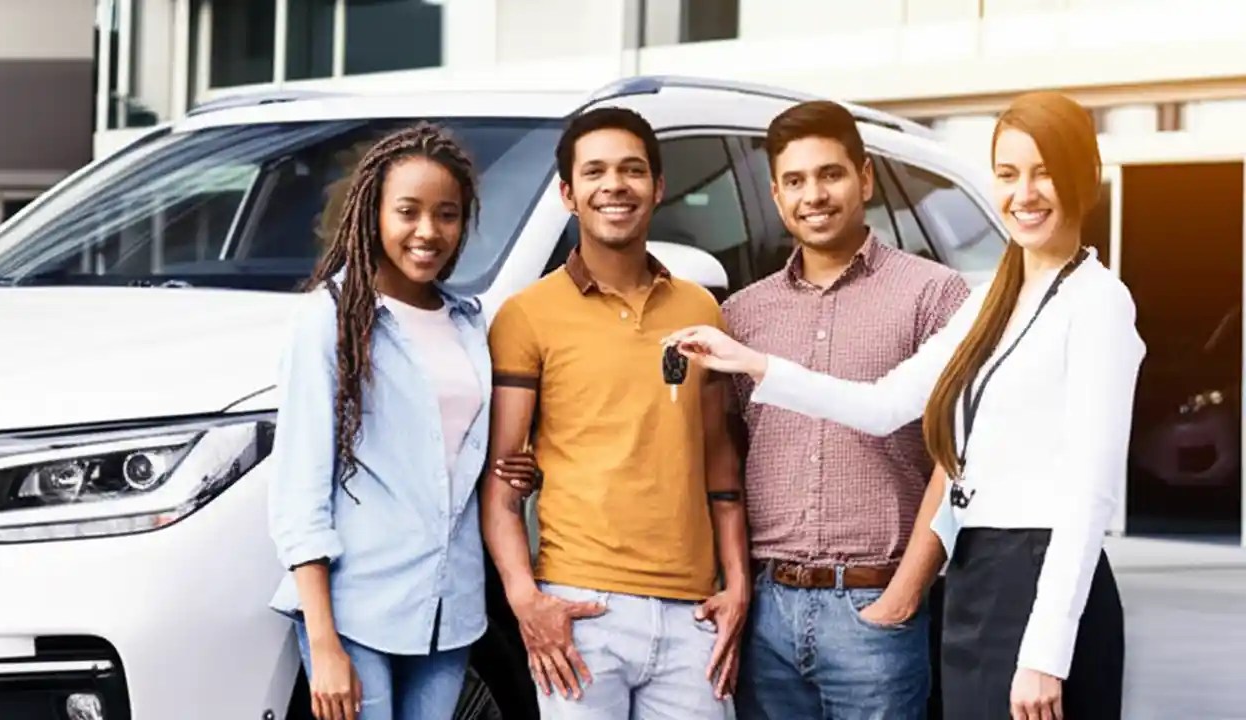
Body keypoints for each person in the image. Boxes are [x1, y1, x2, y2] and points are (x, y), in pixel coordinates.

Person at [663, 90, 1143, 720]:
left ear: (1082, 176)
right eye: (1007, 174)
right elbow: (884, 404)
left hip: (1040, 580)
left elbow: (1087, 497)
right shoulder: (996, 298)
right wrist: (754, 363)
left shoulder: (1099, 302)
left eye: (1044, 172)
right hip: (978, 578)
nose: (1024, 193)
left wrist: (1045, 656)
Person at [481, 106, 751, 719]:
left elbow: (720, 461)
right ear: (568, 194)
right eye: (595, 171)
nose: (615, 185)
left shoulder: (700, 309)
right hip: (579, 610)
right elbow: (500, 482)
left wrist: (737, 586)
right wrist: (526, 600)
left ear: (658, 188)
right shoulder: (526, 315)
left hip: (693, 614)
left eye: (632, 170)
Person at [265, 123, 538, 720]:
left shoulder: (469, 324)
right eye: (408, 211)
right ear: (373, 215)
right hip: (356, 610)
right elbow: (299, 489)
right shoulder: (329, 319)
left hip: (449, 611)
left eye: (447, 214)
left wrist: (521, 467)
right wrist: (323, 641)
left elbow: (460, 452)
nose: (428, 231)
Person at [710, 100, 971, 720]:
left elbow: (958, 458)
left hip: (874, 611)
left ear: (865, 177)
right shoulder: (742, 315)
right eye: (795, 181)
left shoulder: (934, 295)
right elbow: (724, 462)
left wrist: (904, 593)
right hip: (765, 616)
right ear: (776, 196)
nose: (814, 196)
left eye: (830, 174)